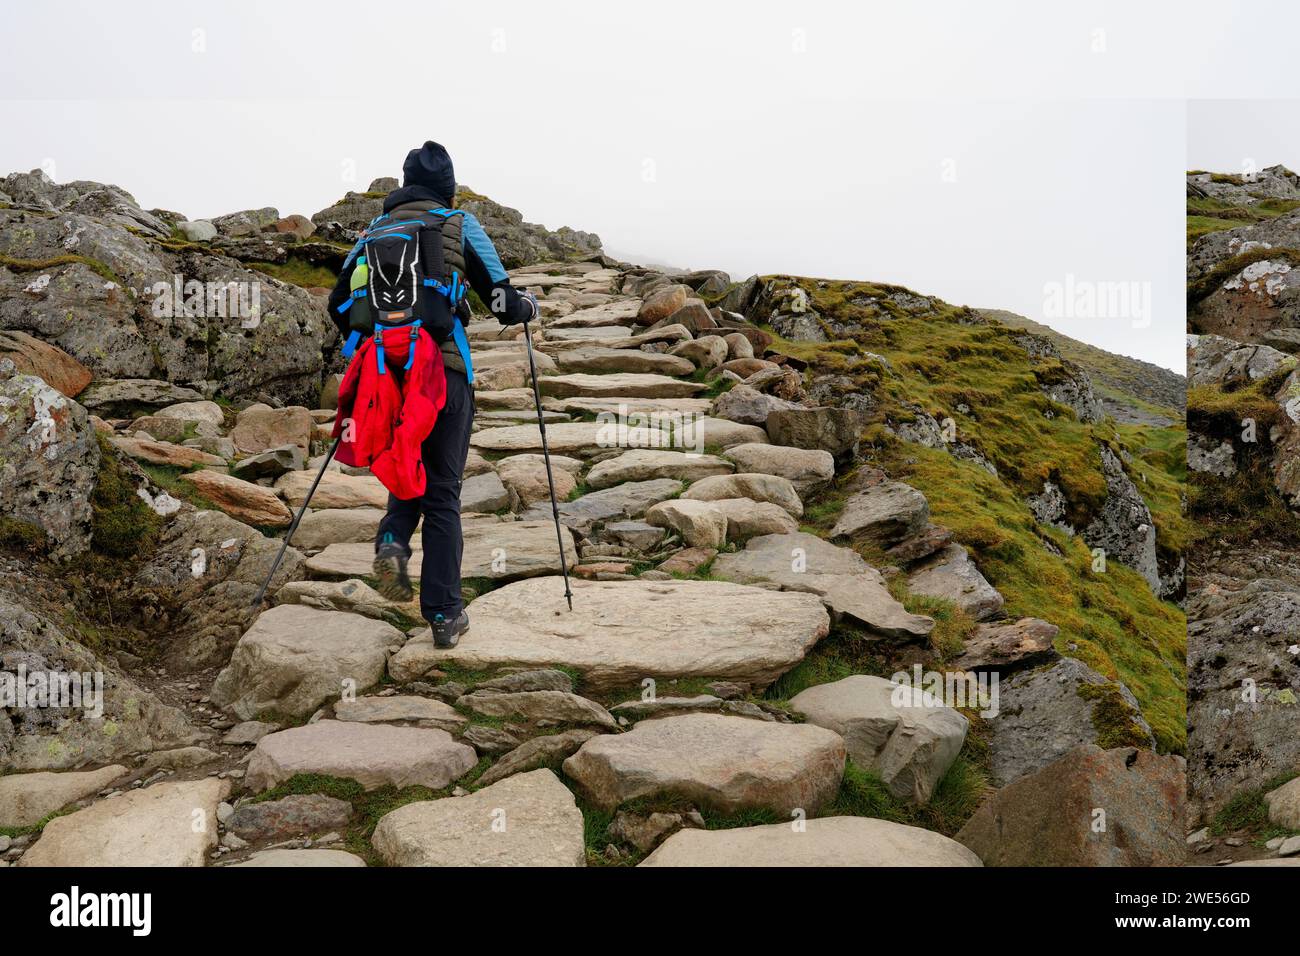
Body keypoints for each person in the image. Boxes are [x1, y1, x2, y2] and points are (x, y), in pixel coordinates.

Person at [327, 141, 537, 647]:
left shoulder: (373, 233)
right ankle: (444, 615)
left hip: (385, 381)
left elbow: (338, 306)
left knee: (406, 471)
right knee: (442, 492)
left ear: (402, 184)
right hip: (442, 373)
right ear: (448, 185)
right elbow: (504, 302)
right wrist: (526, 306)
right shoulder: (460, 224)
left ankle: (393, 545)